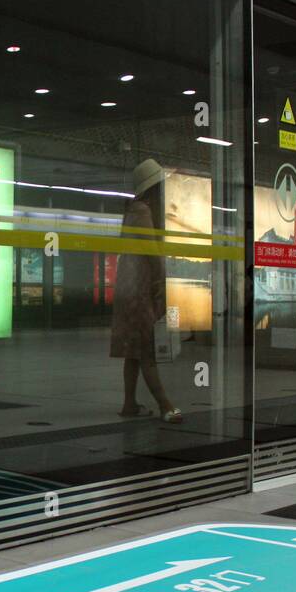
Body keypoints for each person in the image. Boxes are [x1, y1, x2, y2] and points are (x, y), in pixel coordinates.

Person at [110, 158, 182, 423]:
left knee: (133, 351)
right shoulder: (142, 211)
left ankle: (130, 403)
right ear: (153, 188)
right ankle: (165, 406)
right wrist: (161, 283)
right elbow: (152, 253)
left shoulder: (132, 210)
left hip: (129, 289)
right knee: (147, 348)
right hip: (139, 290)